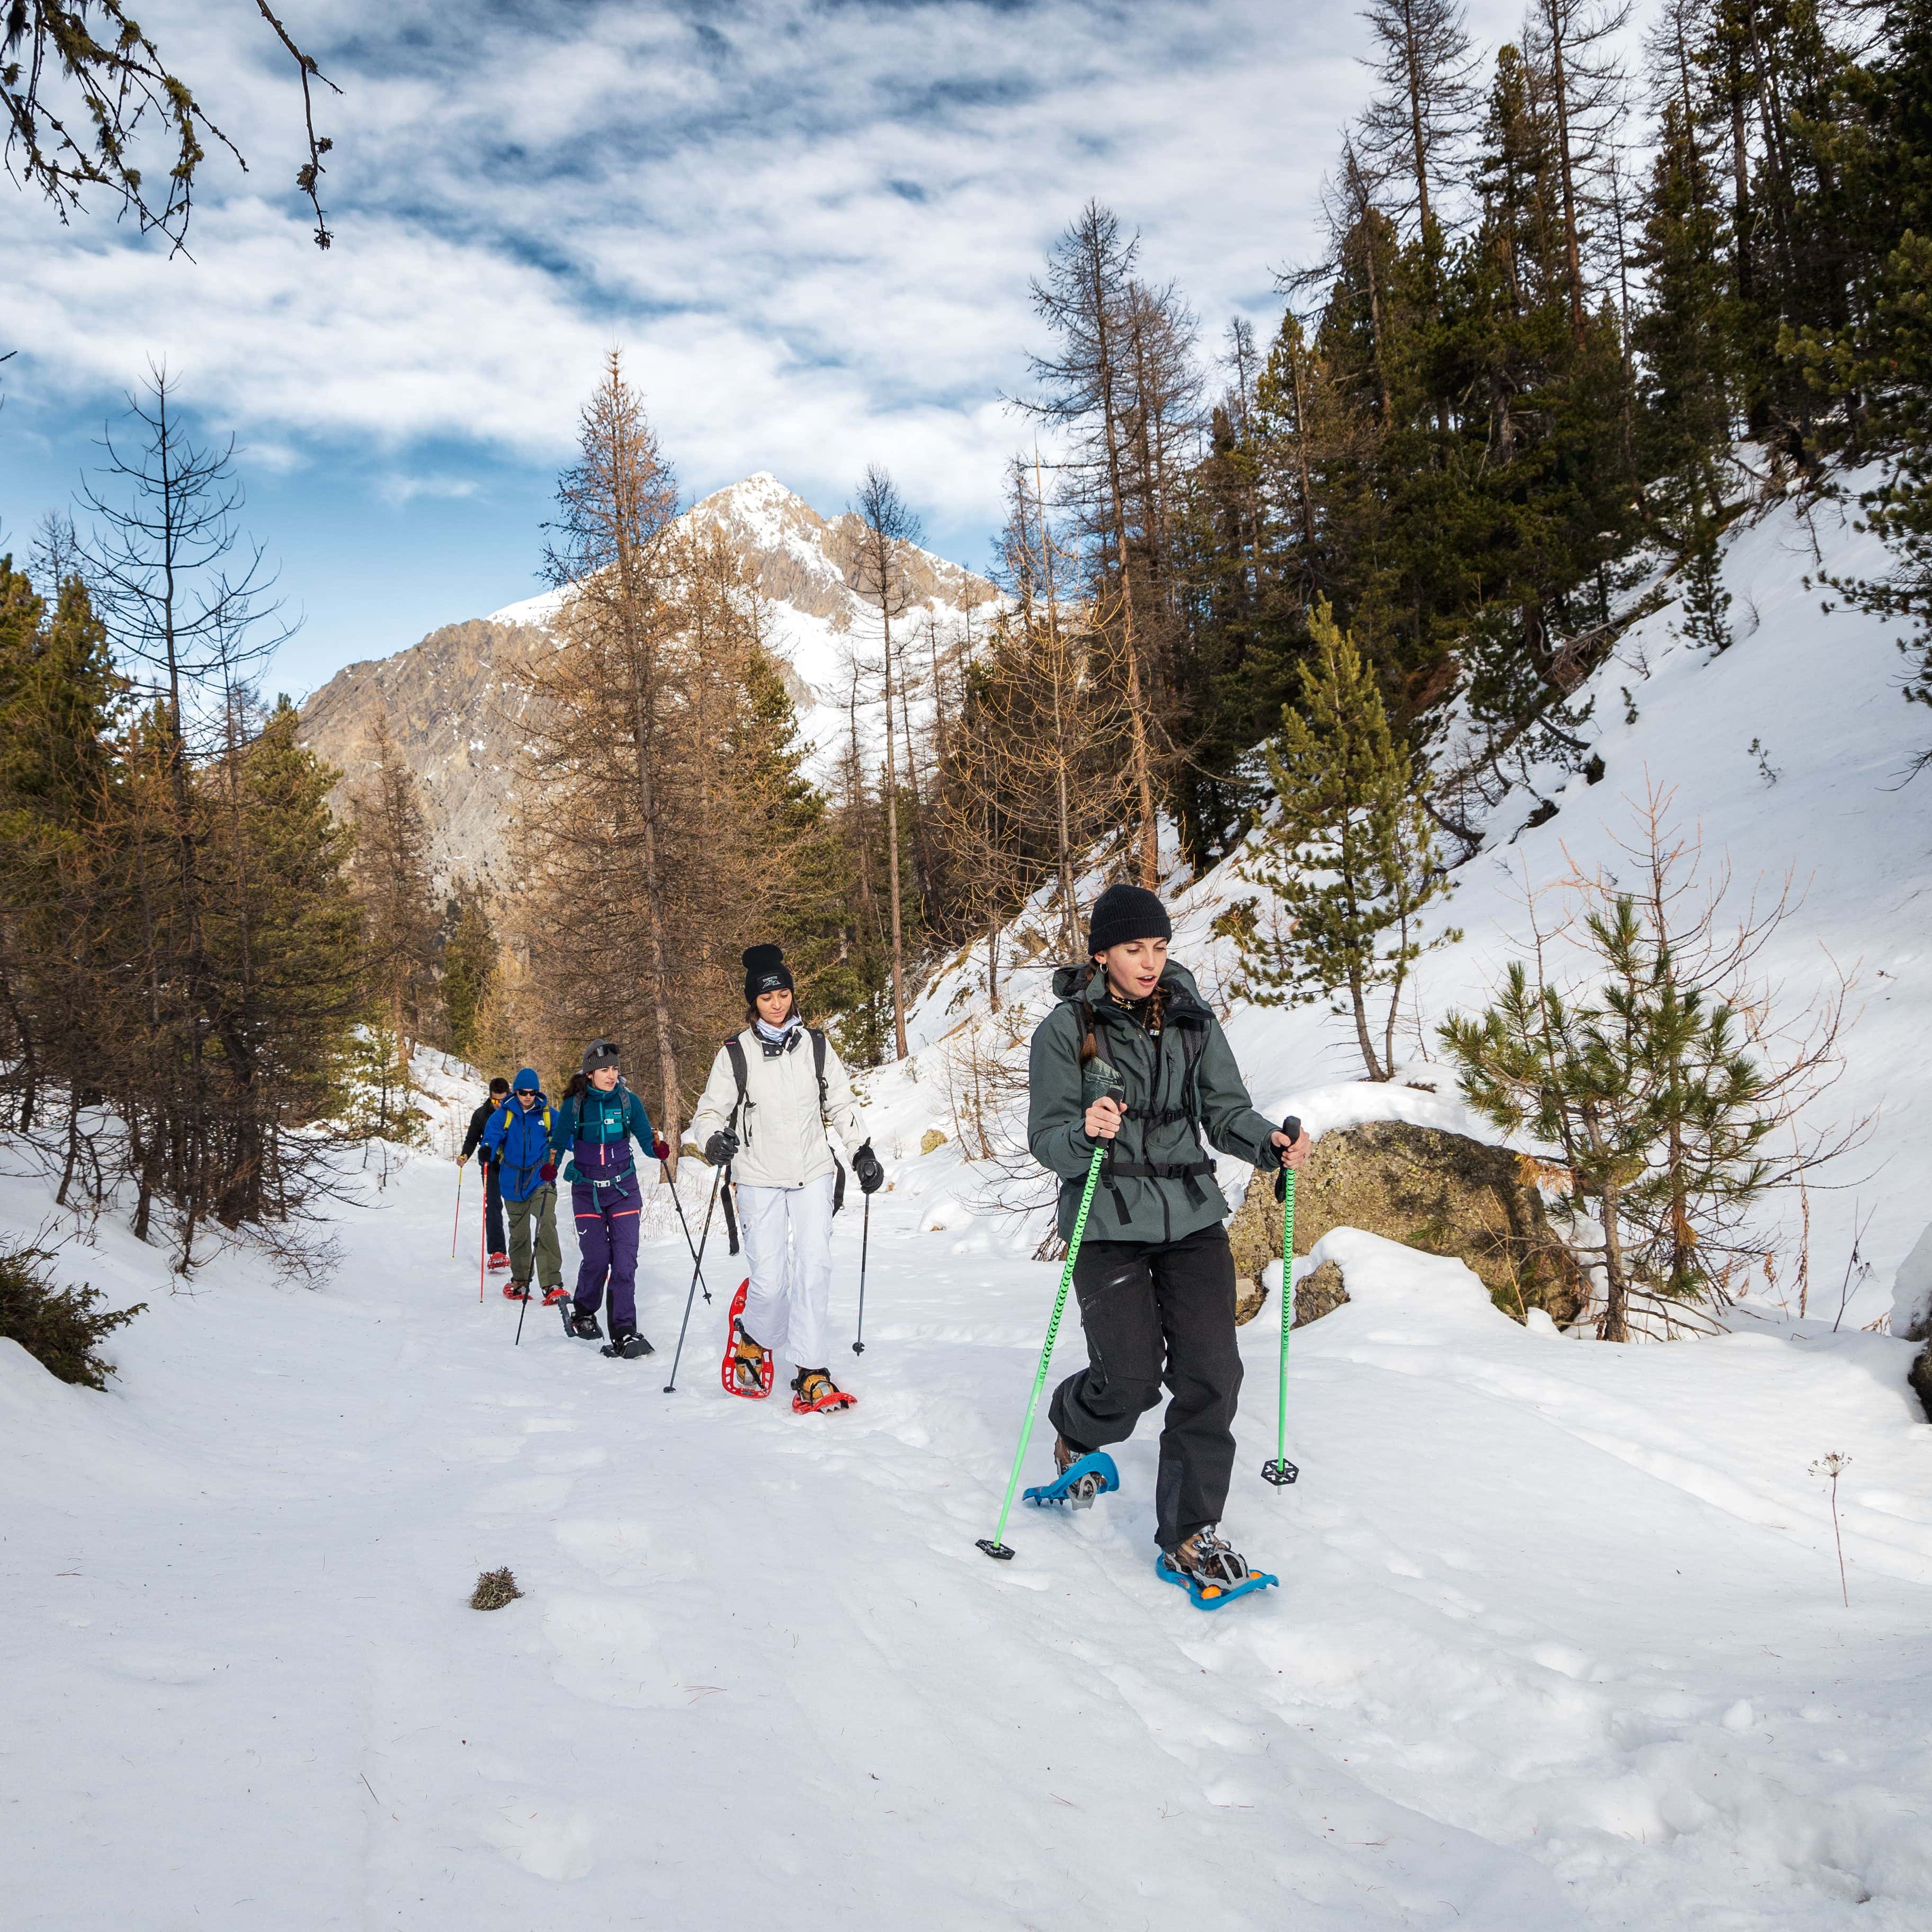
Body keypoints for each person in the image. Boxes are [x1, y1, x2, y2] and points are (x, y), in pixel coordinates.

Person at [1026, 882, 1310, 1600]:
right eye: (1133, 949)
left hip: (1189, 1216)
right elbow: (1046, 1138)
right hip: (1107, 1221)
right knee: (1129, 1382)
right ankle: (1073, 1425)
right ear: (1103, 954)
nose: (1150, 962)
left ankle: (1189, 1534)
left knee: (1214, 1374)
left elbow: (1224, 1110)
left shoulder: (1191, 1019)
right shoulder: (1067, 1030)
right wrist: (1082, 1132)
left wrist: (1268, 1142)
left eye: (1158, 947)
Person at [690, 943, 882, 1414]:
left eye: (782, 994)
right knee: (772, 1280)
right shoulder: (736, 1052)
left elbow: (840, 1102)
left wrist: (861, 1151)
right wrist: (714, 1139)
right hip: (757, 1175)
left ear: (793, 996)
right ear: (753, 1002)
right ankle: (754, 1337)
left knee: (814, 1269)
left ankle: (812, 1371)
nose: (776, 1004)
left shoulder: (816, 1045)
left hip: (813, 1170)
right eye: (765, 997)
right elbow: (709, 1111)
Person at [549, 1040, 668, 1357]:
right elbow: (558, 1142)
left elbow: (645, 1136)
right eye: (604, 1070)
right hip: (587, 1191)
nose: (612, 1075)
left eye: (615, 1068)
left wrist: (657, 1149)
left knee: (625, 1263)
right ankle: (585, 1311)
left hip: (623, 1190)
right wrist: (549, 1167)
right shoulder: (576, 1105)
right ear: (589, 1073)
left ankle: (625, 1330)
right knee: (598, 1260)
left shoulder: (629, 1102)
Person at [481, 1067, 566, 1307]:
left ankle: (552, 1284)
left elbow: (567, 1137)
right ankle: (520, 1281)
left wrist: (584, 1150)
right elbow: (491, 1136)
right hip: (512, 1182)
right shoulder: (503, 1115)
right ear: (516, 1092)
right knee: (519, 1234)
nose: (528, 1096)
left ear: (538, 1092)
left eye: (532, 1092)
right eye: (523, 1092)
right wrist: (486, 1150)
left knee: (546, 1223)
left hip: (541, 1178)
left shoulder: (549, 1115)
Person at [458, 1076, 511, 1271]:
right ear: (490, 1097)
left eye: (503, 1100)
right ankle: (497, 1250)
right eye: (495, 1100)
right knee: (494, 1204)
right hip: (491, 1165)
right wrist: (465, 1155)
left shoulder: (515, 1111)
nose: (499, 1105)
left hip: (515, 1164)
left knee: (519, 1206)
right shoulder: (481, 1114)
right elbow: (472, 1139)